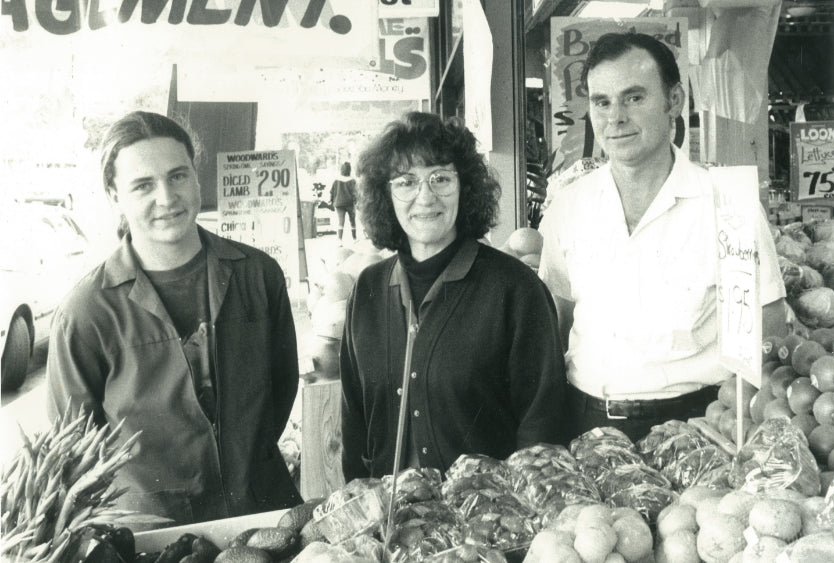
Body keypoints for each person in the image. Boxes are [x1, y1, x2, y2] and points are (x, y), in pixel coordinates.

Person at [46, 111, 302, 525]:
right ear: (115, 196)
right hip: (154, 534)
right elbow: (75, 452)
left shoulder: (258, 274)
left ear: (197, 178)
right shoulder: (86, 313)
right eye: (143, 185)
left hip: (266, 516)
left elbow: (281, 386)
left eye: (178, 176)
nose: (167, 197)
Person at [538, 33, 787, 442]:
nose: (615, 117)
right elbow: (557, 320)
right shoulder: (569, 207)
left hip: (697, 427)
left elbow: (769, 335)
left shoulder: (729, 206)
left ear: (674, 100)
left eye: (634, 98)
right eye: (602, 101)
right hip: (586, 427)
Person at [340, 111, 567, 481]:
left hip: (490, 523)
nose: (425, 197)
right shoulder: (366, 290)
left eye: (440, 178)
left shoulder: (514, 288)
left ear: (466, 187)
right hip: (393, 524)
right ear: (385, 194)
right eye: (406, 182)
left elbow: (543, 424)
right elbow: (355, 425)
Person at [330, 161, 357, 245]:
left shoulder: (336, 180)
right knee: (352, 221)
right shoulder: (352, 180)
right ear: (349, 170)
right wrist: (356, 202)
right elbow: (355, 193)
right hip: (349, 204)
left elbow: (332, 192)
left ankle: (339, 240)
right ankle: (354, 238)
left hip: (339, 204)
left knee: (341, 222)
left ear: (341, 169)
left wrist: (332, 201)